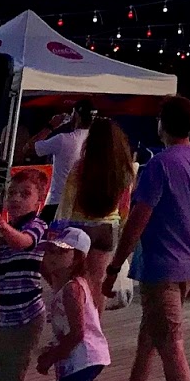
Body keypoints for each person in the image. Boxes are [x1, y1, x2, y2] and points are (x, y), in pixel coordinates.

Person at [96, 95, 190, 381]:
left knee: (172, 346)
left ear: (163, 123)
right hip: (189, 267)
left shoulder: (160, 165)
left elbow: (138, 220)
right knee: (148, 342)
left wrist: (114, 267)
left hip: (162, 268)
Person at [0, 168, 49, 381]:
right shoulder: (6, 236)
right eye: (12, 193)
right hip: (6, 317)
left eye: (25, 193)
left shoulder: (37, 225)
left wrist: (2, 227)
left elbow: (25, 242)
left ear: (39, 201)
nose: (16, 198)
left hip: (25, 316)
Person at [35, 226, 108, 381]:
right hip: (79, 356)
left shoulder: (72, 290)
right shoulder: (65, 284)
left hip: (84, 357)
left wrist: (51, 357)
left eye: (61, 252)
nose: (52, 256)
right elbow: (42, 267)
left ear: (77, 258)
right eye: (50, 251)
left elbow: (77, 333)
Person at [60, 117, 134, 308]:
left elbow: (67, 202)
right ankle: (95, 322)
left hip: (79, 226)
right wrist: (121, 228)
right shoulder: (124, 170)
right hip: (108, 229)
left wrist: (59, 228)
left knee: (77, 281)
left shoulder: (81, 167)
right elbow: (125, 206)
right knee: (98, 281)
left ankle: (79, 319)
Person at [32, 102, 93, 223]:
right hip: (85, 204)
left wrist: (51, 126)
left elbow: (31, 148)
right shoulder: (99, 141)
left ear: (76, 116)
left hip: (58, 202)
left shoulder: (63, 139)